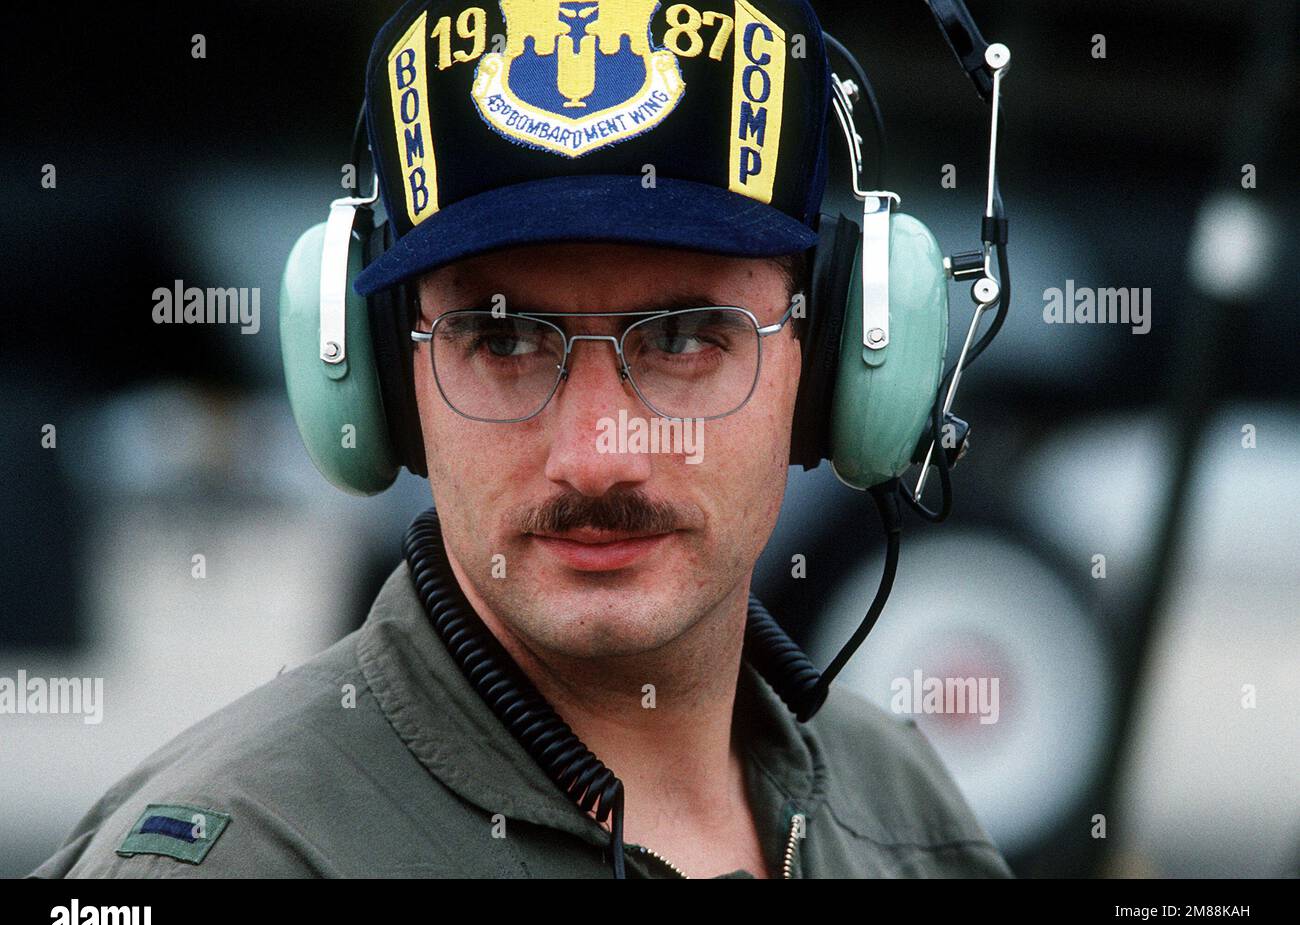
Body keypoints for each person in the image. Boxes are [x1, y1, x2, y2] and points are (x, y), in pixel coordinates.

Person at [32, 0, 1012, 879]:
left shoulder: (906, 818)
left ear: (838, 350)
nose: (594, 454)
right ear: (378, 373)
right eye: (501, 339)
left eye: (680, 338)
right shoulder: (247, 859)